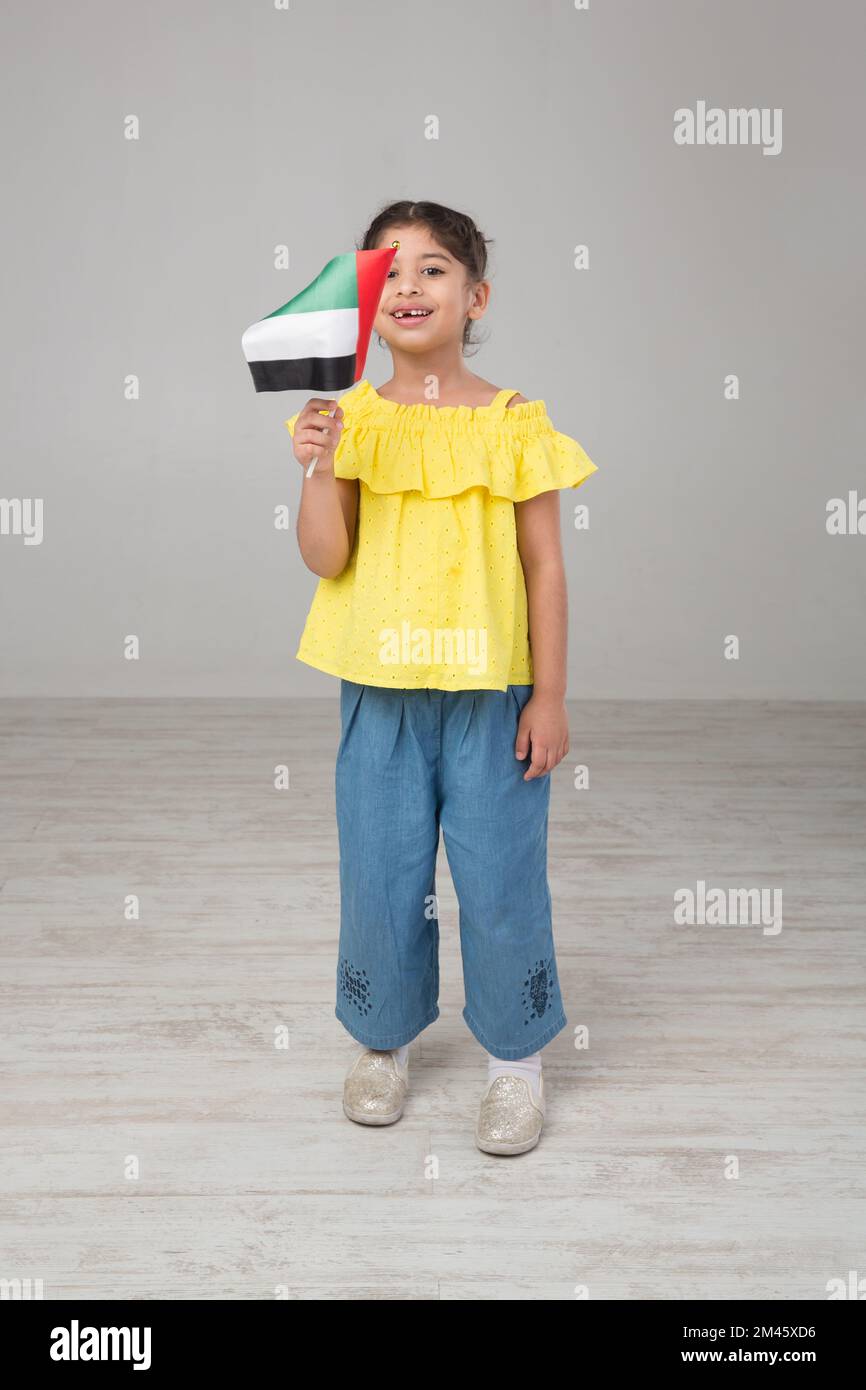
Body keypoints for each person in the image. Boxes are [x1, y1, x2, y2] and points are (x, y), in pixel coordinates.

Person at [285, 200, 598, 1155]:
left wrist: (549, 693)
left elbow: (544, 563)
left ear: (474, 296)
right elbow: (324, 558)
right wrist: (316, 468)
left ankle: (514, 1060)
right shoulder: (351, 420)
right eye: (390, 271)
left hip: (492, 696)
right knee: (381, 871)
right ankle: (381, 1040)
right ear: (367, 299)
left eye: (433, 269)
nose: (410, 286)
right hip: (379, 694)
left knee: (499, 875)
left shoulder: (513, 424)